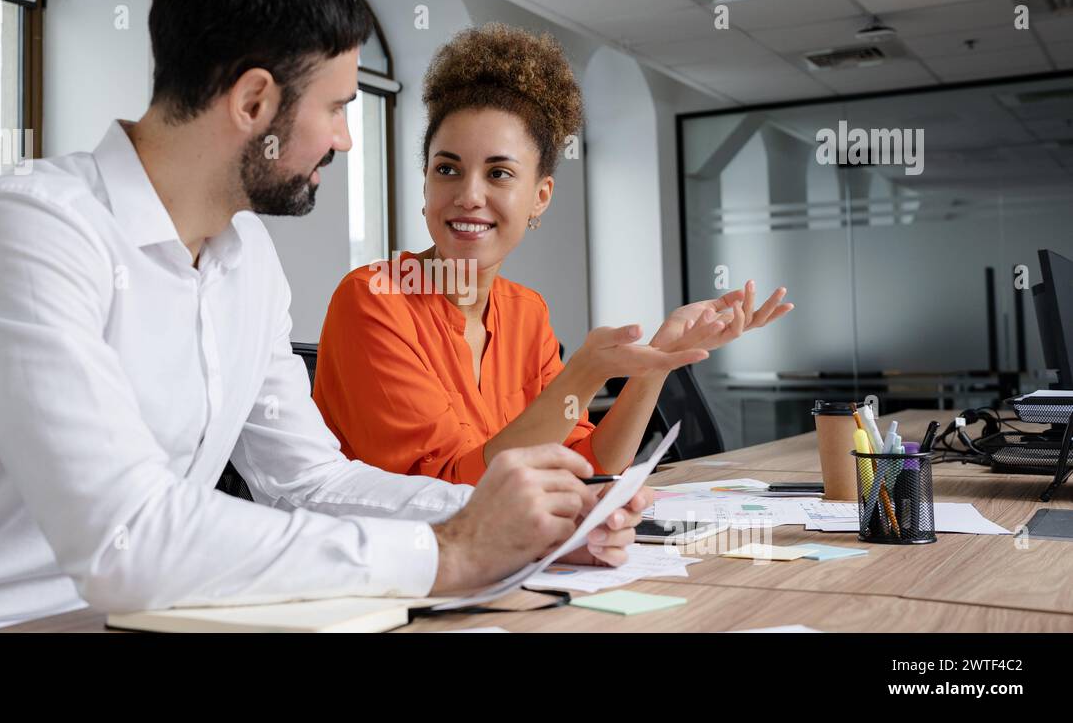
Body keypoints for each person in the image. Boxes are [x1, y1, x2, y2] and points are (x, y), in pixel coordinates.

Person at [0, 0, 651, 632]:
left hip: (171, 619)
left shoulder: (245, 256)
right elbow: (127, 539)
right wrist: (450, 553)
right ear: (255, 103)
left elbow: (309, 481)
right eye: (336, 108)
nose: (345, 139)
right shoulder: (32, 230)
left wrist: (529, 521)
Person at [313, 24, 792, 484]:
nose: (469, 195)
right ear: (426, 183)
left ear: (540, 197)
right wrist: (585, 371)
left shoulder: (526, 313)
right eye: (447, 169)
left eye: (498, 173)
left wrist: (657, 363)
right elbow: (450, 489)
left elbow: (588, 461)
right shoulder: (373, 300)